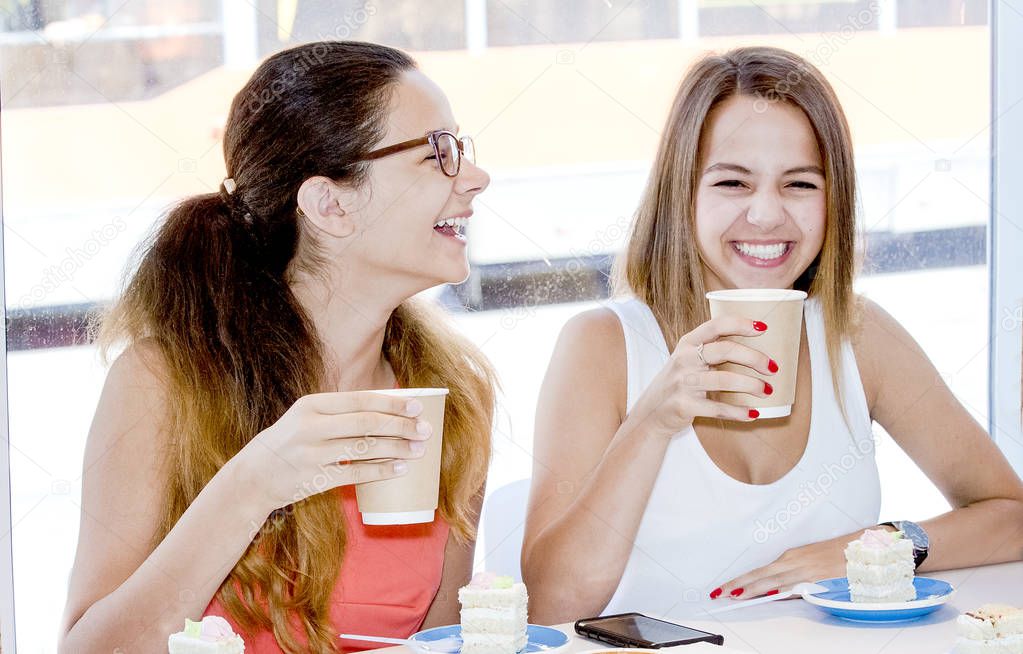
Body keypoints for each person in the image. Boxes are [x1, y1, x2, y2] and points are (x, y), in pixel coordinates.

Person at [521, 45, 1023, 624]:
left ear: (835, 199)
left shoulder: (857, 335)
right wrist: (653, 419)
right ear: (682, 193)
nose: (766, 215)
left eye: (801, 184)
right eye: (733, 182)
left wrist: (868, 549)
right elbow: (551, 605)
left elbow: (1010, 517)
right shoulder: (601, 346)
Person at [58, 41, 495, 654]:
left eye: (462, 149)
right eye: (437, 155)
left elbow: (439, 642)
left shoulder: (454, 394)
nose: (475, 177)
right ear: (330, 204)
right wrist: (254, 484)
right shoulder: (163, 383)